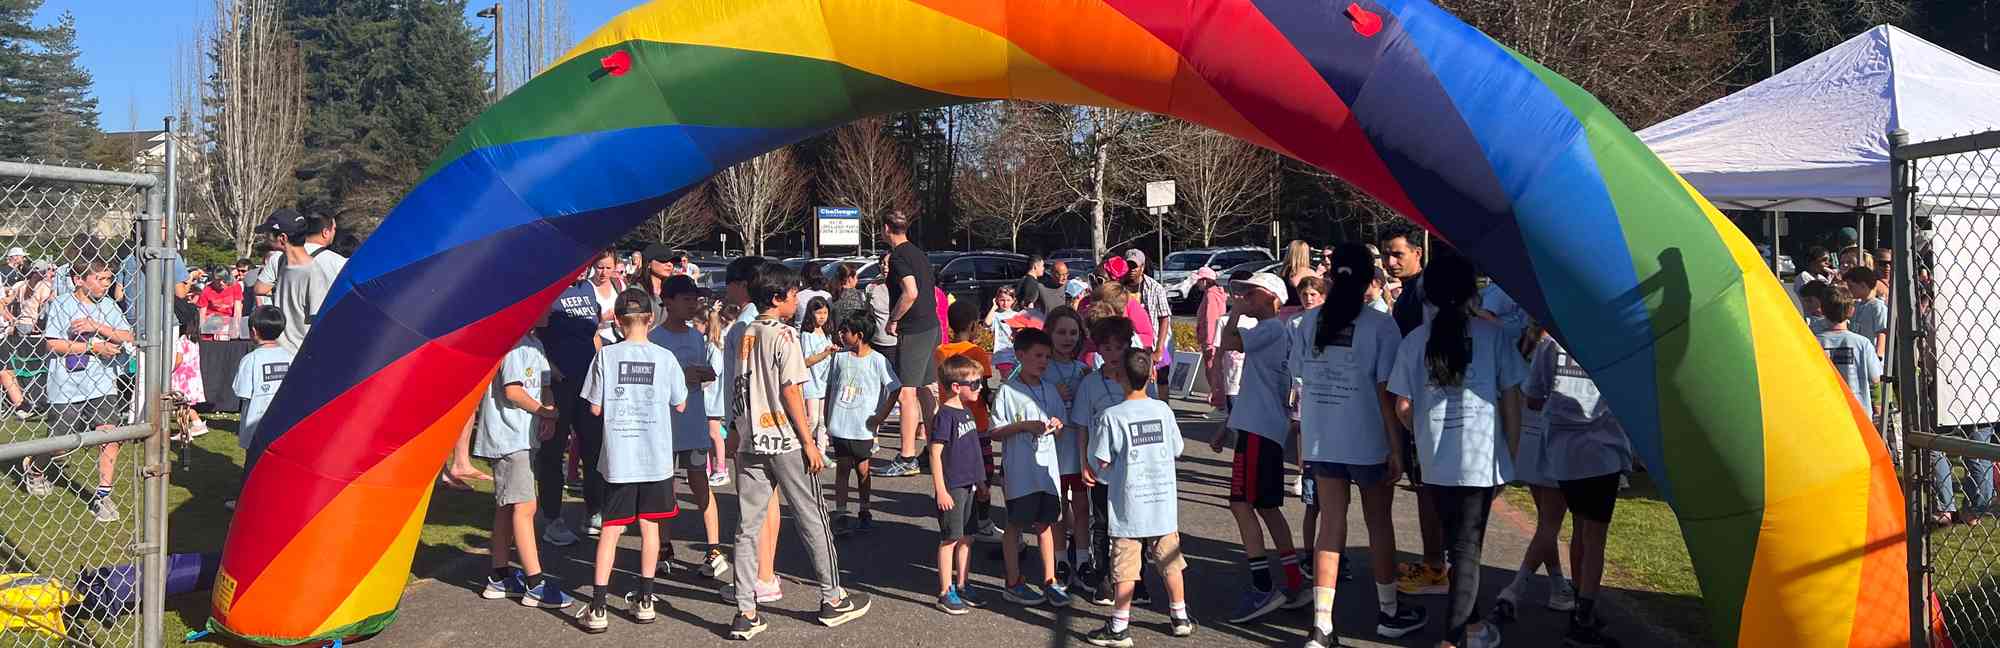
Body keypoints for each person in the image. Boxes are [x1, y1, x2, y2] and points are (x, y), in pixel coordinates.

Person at [724, 263, 870, 640]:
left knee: (747, 525)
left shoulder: (742, 333)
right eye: (791, 295)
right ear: (776, 298)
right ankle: (832, 598)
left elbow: (735, 384)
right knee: (812, 515)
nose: (796, 300)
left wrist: (732, 430)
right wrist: (809, 441)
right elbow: (792, 389)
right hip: (785, 439)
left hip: (750, 438)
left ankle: (745, 608)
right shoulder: (784, 335)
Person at [1292, 244, 1425, 648]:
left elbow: (1300, 376)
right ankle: (1388, 611)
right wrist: (1396, 447)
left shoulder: (1306, 323)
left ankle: (1322, 624)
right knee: (1378, 524)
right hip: (1368, 441)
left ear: (1330, 279)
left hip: (1322, 440)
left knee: (1330, 526)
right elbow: (1387, 393)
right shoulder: (1381, 326)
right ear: (1372, 279)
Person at [1388, 254, 1525, 648]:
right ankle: (1455, 638)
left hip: (1436, 461)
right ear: (1472, 291)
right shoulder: (1492, 336)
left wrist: (1426, 436)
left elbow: (1403, 407)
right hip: (1482, 460)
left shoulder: (1415, 341)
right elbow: (1512, 401)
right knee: (1466, 548)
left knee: (1458, 546)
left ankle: (1474, 626)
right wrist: (1509, 455)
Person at [577, 289, 687, 632]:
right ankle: (646, 599)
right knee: (650, 527)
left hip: (620, 458)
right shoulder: (665, 357)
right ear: (651, 320)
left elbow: (593, 406)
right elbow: (680, 402)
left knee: (610, 530)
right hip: (654, 458)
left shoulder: (605, 357)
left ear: (618, 321)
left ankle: (597, 605)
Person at [1522, 331, 1632, 648]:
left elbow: (1532, 398)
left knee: (1578, 528)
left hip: (1564, 454)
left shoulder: (1549, 343)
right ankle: (1583, 619)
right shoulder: (1612, 339)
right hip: (1602, 453)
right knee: (1593, 538)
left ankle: (1581, 606)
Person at [1083, 348, 1196, 647]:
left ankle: (1119, 627)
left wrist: (1098, 468)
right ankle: (1180, 616)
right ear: (1151, 376)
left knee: (1124, 567)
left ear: (1119, 376)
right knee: (1171, 561)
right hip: (1162, 505)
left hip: (1128, 506)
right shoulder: (1163, 410)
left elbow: (1102, 461)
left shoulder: (1112, 416)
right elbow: (1177, 449)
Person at [466, 305, 572, 612]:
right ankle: (536, 583)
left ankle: (499, 575)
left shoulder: (535, 343)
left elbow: (546, 385)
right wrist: (542, 411)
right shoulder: (513, 344)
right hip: (509, 440)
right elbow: (513, 391)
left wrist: (549, 414)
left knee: (506, 507)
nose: (550, 310)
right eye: (545, 304)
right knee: (526, 507)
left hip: (523, 439)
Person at [1214, 272, 1306, 622]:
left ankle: (1263, 587)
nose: (1245, 298)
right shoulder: (1277, 332)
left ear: (1271, 297)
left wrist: (1235, 310)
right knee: (1266, 507)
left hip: (1258, 431)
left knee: (1241, 504)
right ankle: (1295, 583)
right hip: (1259, 427)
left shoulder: (1270, 329)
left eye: (1251, 294)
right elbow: (1261, 386)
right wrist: (1229, 425)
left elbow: (1228, 341)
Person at [30, 261, 134, 522]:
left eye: (109, 279)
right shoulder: (62, 304)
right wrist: (92, 348)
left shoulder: (108, 305)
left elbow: (127, 336)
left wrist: (97, 327)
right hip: (67, 384)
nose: (106, 284)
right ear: (79, 279)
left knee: (108, 435)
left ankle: (103, 495)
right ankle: (35, 468)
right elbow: (52, 344)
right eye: (100, 279)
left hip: (102, 381)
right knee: (60, 441)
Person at [647, 275, 732, 582]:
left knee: (700, 482)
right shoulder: (655, 339)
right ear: (667, 302)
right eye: (685, 299)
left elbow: (705, 373)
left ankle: (713, 548)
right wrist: (682, 375)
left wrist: (703, 373)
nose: (692, 305)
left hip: (695, 421)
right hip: (664, 425)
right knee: (663, 488)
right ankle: (663, 547)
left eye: (695, 299)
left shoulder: (698, 337)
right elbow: (653, 382)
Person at [1493, 325, 1575, 628]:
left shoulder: (1528, 338)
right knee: (1550, 523)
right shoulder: (1554, 342)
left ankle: (1557, 587)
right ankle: (1515, 589)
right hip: (1554, 434)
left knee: (1546, 522)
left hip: (1530, 435)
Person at [536, 250, 618, 548]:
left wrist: (601, 364)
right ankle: (552, 517)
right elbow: (536, 335)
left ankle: (594, 510)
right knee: (553, 451)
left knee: (594, 448)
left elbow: (593, 333)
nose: (586, 268)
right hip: (559, 386)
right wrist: (551, 370)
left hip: (589, 384)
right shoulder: (550, 290)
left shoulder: (587, 289)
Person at [1381, 229, 1447, 596]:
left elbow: (1429, 346)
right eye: (1387, 255)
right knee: (1425, 487)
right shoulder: (1410, 291)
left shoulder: (1424, 292)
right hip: (1416, 402)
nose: (1391, 262)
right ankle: (1435, 560)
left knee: (1427, 489)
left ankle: (1436, 567)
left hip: (1424, 405)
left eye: (1398, 254)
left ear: (1418, 252)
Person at [989, 327, 1072, 607]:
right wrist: (1023, 426)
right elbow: (995, 431)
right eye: (1037, 355)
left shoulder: (1050, 389)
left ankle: (1050, 580)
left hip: (1046, 471)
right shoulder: (1008, 391)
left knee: (1046, 524)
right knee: (1015, 525)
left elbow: (1060, 425)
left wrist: (1057, 426)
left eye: (1047, 357)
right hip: (1020, 473)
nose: (1043, 361)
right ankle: (1013, 581)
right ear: (1020, 355)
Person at [1071, 316, 1151, 606]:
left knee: (1136, 525)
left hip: (1135, 469)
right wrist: (1083, 463)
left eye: (1120, 347)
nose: (1114, 354)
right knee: (1103, 524)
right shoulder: (1090, 384)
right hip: (1101, 469)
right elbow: (1081, 426)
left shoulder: (1139, 381)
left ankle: (1138, 580)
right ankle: (1104, 578)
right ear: (1099, 350)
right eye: (1107, 348)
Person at [824, 310, 900, 534]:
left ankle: (865, 509)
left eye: (845, 331)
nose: (841, 335)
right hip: (840, 425)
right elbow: (830, 388)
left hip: (863, 427)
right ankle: (840, 512)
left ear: (858, 334)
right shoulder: (838, 358)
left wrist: (881, 416)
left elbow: (895, 388)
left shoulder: (878, 361)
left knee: (863, 469)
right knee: (842, 468)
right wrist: (828, 417)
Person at [878, 211, 941, 478]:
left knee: (907, 393)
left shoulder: (900, 255)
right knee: (926, 390)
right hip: (931, 326)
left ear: (885, 229)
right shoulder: (918, 253)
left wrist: (893, 319)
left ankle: (907, 457)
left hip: (914, 329)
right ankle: (934, 449)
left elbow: (911, 292)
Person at [930, 354, 993, 614]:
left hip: (970, 485)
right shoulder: (945, 415)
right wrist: (941, 489)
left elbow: (973, 451)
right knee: (950, 539)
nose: (979, 388)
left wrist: (982, 481)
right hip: (953, 486)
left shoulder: (967, 412)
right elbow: (934, 453)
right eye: (975, 384)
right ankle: (946, 591)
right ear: (956, 387)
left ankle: (963, 583)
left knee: (968, 537)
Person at [934, 300, 1001, 538]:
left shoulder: (941, 351)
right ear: (974, 326)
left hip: (950, 420)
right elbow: (982, 388)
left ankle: (959, 521)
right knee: (983, 472)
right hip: (977, 422)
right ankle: (982, 521)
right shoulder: (977, 353)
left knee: (954, 470)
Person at [1040, 306, 1090, 584]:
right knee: (1057, 509)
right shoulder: (1041, 368)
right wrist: (1051, 393)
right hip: (1052, 453)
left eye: (1073, 332)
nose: (1067, 338)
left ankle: (1083, 559)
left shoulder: (1085, 370)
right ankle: (1060, 559)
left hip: (1078, 451)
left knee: (1082, 507)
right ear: (1049, 333)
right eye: (1061, 332)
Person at [228, 306, 290, 510]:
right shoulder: (290, 356)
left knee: (253, 467)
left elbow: (242, 391)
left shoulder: (251, 359)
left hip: (256, 425)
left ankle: (247, 505)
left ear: (253, 331)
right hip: (283, 424)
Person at [263, 210, 347, 353]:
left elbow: (320, 323)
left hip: (290, 355)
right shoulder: (282, 260)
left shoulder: (309, 271)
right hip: (290, 353)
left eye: (268, 234)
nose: (265, 238)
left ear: (282, 238)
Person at [1818, 286, 1882, 416]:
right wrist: (1878, 409)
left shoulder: (1813, 342)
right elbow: (1875, 379)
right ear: (1851, 311)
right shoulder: (1862, 343)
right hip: (1857, 413)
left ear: (1822, 310)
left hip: (1823, 412)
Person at [1122, 249, 1174, 386]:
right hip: (1129, 343)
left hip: (1154, 340)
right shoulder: (1118, 288)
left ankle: (1163, 405)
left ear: (1143, 267)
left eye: (1135, 266)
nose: (1131, 270)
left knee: (1162, 378)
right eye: (1128, 266)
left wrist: (1159, 349)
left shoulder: (1155, 288)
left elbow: (1164, 318)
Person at [800, 297, 837, 460]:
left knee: (823, 420)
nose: (822, 316)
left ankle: (821, 454)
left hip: (825, 381)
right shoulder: (807, 335)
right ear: (811, 314)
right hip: (812, 382)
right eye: (818, 313)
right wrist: (825, 353)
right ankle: (804, 448)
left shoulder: (826, 332)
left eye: (825, 313)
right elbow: (806, 361)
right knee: (812, 419)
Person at [169, 302, 209, 438]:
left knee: (183, 405)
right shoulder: (194, 340)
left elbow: (178, 359)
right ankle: (188, 428)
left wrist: (169, 370)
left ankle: (194, 425)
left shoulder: (181, 340)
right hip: (192, 378)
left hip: (182, 378)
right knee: (184, 406)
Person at [1843, 266, 1888, 358]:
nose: (1849, 290)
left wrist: (1878, 355)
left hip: (1870, 356)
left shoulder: (1877, 306)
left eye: (1851, 286)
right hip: (1856, 355)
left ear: (1863, 285)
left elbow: (1882, 333)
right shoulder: (1856, 305)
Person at [986, 286, 1023, 373]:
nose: (1005, 303)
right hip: (1001, 354)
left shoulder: (1017, 315)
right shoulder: (995, 315)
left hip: (1016, 353)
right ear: (997, 300)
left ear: (1013, 300)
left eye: (1008, 300)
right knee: (1006, 378)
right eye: (1002, 300)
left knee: (1017, 380)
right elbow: (987, 323)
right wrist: (994, 307)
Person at [1281, 240, 1319, 306]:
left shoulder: (1283, 271)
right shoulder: (1310, 272)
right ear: (1305, 254)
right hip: (1303, 310)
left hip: (1285, 310)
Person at [796, 261, 833, 327]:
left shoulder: (798, 296)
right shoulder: (828, 296)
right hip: (823, 333)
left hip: (801, 333)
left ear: (804, 277)